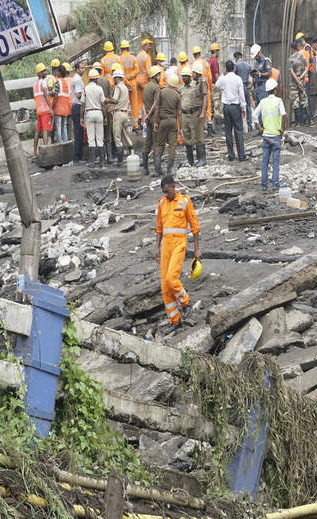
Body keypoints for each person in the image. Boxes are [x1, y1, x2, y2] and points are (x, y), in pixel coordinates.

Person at [154, 175, 201, 330]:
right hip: (166, 246)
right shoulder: (161, 203)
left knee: (171, 279)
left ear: (173, 186)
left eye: (167, 191)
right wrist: (157, 248)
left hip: (179, 243)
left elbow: (194, 227)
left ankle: (186, 303)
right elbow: (159, 228)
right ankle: (175, 320)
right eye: (164, 192)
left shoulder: (185, 201)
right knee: (165, 286)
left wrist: (196, 249)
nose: (166, 194)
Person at [252, 78, 286, 191]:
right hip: (276, 135)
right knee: (275, 162)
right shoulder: (279, 101)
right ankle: (275, 185)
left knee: (265, 162)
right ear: (275, 90)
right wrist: (282, 129)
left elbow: (254, 116)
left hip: (266, 135)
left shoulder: (263, 102)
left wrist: (260, 129)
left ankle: (264, 185)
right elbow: (283, 115)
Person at [215, 59, 248, 161]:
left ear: (226, 68)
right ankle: (241, 155)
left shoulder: (224, 79)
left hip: (226, 107)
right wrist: (243, 108)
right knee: (238, 131)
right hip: (235, 107)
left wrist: (222, 75)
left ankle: (231, 155)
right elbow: (241, 95)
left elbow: (216, 85)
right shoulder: (238, 79)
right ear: (234, 68)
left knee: (228, 132)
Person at [153, 72, 183, 175]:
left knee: (160, 144)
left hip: (163, 121)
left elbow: (157, 108)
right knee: (172, 146)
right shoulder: (177, 96)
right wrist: (181, 128)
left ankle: (157, 170)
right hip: (173, 122)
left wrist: (156, 122)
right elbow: (179, 113)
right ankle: (169, 170)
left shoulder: (161, 92)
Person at [181, 63, 209, 167]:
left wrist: (202, 113)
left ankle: (202, 159)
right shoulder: (195, 83)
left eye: (193, 73)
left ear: (197, 73)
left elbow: (205, 98)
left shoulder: (202, 83)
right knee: (188, 136)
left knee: (199, 136)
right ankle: (191, 160)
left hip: (197, 113)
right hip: (188, 114)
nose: (192, 74)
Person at [140, 65, 162, 175]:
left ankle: (145, 168)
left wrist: (145, 116)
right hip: (153, 118)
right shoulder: (156, 88)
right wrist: (155, 120)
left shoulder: (147, 87)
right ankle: (157, 169)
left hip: (148, 119)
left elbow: (143, 103)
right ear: (155, 76)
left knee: (147, 143)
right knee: (157, 143)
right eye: (159, 75)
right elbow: (156, 105)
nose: (160, 77)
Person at [83, 68, 106, 166]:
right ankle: (102, 162)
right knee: (100, 139)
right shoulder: (100, 89)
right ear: (96, 79)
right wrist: (105, 117)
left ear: (89, 79)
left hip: (89, 113)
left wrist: (81, 117)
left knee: (91, 139)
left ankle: (92, 162)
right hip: (99, 113)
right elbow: (103, 104)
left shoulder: (85, 89)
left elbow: (82, 104)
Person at [191, 46, 215, 136]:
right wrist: (210, 89)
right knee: (207, 108)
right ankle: (209, 129)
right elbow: (209, 77)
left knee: (198, 108)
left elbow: (191, 78)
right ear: (200, 53)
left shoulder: (192, 64)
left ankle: (200, 129)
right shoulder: (205, 63)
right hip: (206, 87)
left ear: (193, 55)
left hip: (196, 89)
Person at [32, 62, 54, 158]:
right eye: (44, 71)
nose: (46, 72)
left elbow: (39, 95)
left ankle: (34, 153)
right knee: (45, 131)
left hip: (38, 110)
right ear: (40, 73)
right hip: (45, 110)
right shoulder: (43, 82)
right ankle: (46, 151)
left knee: (37, 131)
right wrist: (50, 108)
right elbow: (45, 95)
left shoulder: (35, 84)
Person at [117, 41, 140, 131]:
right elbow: (137, 70)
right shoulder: (133, 58)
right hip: (133, 84)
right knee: (134, 104)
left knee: (124, 105)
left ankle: (125, 125)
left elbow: (120, 72)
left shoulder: (119, 59)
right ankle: (135, 126)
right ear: (128, 48)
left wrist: (126, 79)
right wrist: (130, 77)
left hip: (124, 84)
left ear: (121, 49)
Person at [110, 66, 132, 163]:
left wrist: (107, 100)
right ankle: (132, 153)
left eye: (114, 78)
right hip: (125, 114)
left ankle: (119, 161)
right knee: (126, 136)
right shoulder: (126, 88)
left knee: (117, 138)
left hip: (118, 114)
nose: (113, 80)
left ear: (117, 78)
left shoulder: (118, 87)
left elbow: (114, 100)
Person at [288, 40, 310, 125]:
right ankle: (307, 121)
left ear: (292, 49)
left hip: (294, 83)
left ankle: (297, 122)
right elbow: (307, 67)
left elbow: (291, 72)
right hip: (302, 81)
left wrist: (297, 80)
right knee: (304, 100)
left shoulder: (291, 58)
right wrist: (301, 77)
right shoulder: (302, 56)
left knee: (295, 102)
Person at [233, 51, 254, 129]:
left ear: (235, 58)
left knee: (239, 105)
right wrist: (251, 85)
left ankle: (240, 125)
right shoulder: (248, 65)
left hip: (239, 88)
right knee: (248, 106)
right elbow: (254, 74)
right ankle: (249, 125)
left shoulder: (235, 65)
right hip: (246, 87)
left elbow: (233, 76)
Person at [136, 39, 155, 126]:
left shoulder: (138, 56)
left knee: (139, 102)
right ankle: (145, 120)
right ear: (144, 46)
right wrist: (152, 80)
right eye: (148, 45)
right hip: (145, 81)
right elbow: (148, 71)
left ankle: (139, 119)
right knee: (146, 101)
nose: (150, 47)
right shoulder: (147, 56)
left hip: (138, 80)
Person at [53, 63, 73, 143]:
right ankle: (66, 143)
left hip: (58, 108)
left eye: (57, 71)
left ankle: (60, 144)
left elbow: (56, 96)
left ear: (59, 72)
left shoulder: (58, 82)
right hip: (65, 109)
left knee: (58, 127)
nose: (56, 73)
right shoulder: (66, 83)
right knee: (64, 126)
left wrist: (52, 107)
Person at [72, 61, 86, 160]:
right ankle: (77, 156)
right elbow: (78, 94)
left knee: (79, 131)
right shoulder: (77, 80)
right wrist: (86, 93)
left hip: (76, 106)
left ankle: (79, 155)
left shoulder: (78, 78)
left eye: (83, 67)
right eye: (81, 68)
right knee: (78, 132)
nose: (83, 69)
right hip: (77, 106)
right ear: (77, 69)